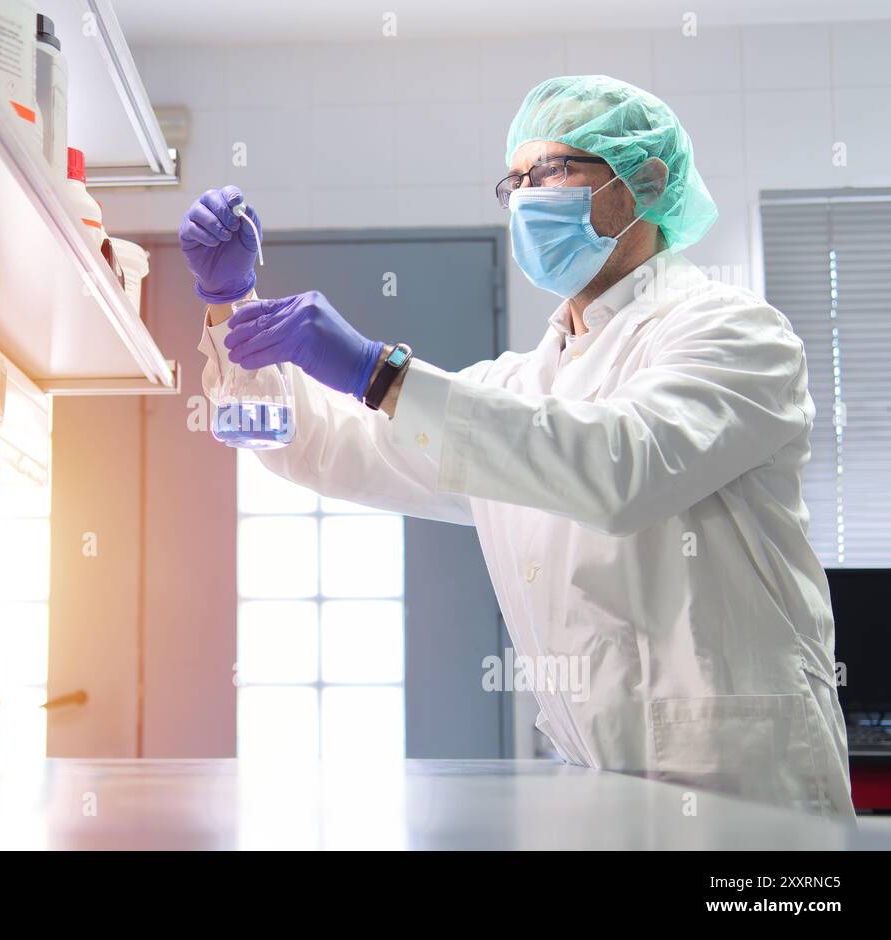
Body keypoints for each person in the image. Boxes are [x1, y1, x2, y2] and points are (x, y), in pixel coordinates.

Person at [180, 74, 854, 819]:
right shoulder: (522, 383)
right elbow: (331, 448)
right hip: (600, 790)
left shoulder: (734, 333)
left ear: (641, 184)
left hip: (748, 795)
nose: (529, 196)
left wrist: (382, 372)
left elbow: (619, 468)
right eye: (517, 181)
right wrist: (229, 303)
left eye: (555, 171)